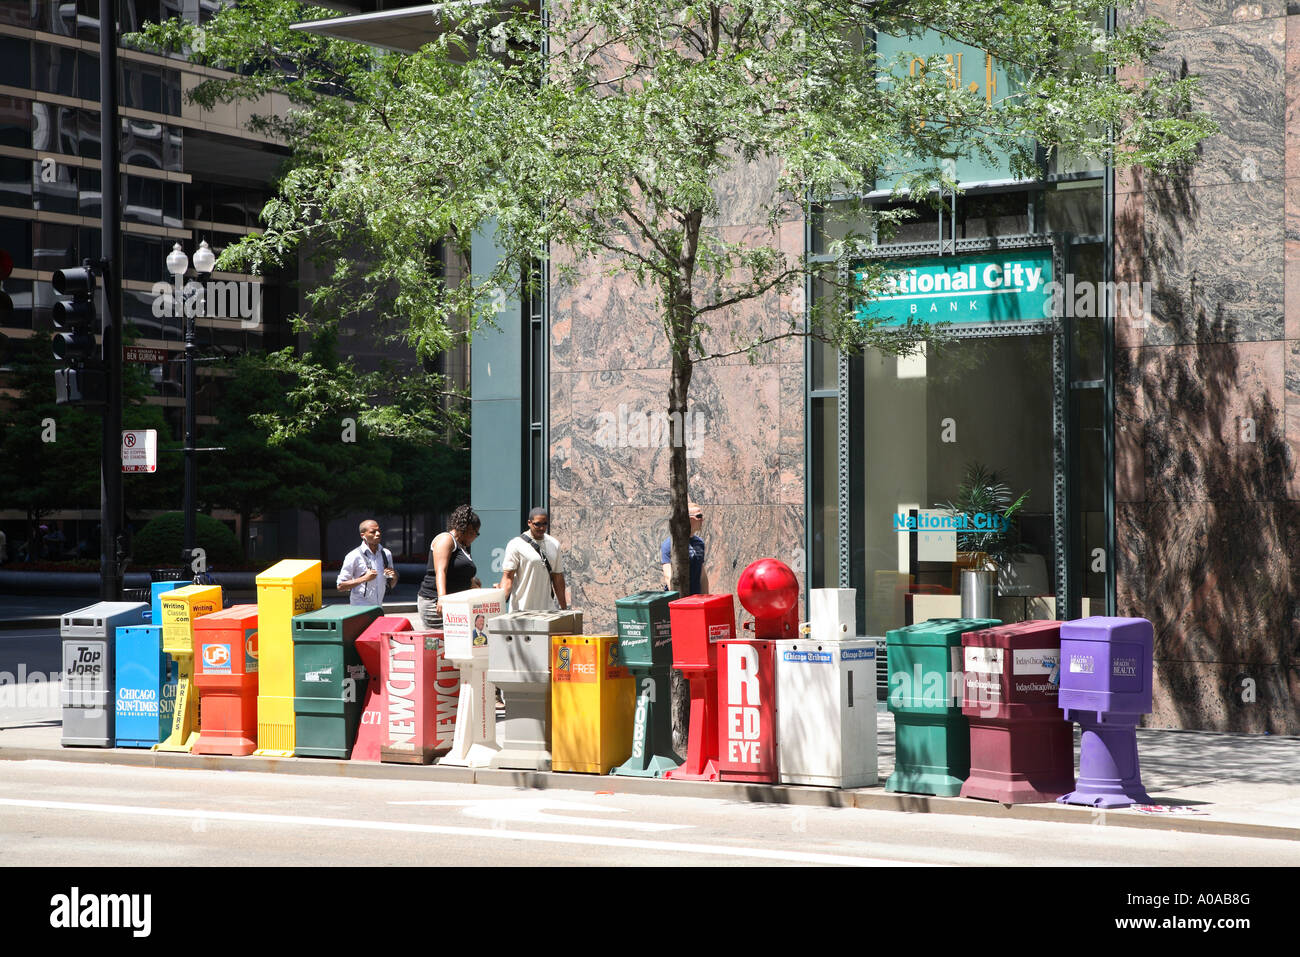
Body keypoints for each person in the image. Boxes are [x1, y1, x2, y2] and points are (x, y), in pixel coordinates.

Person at [417, 505, 481, 628]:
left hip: (454, 603)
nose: (475, 538)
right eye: (476, 533)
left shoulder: (462, 546)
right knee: (443, 644)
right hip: (435, 602)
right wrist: (442, 598)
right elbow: (441, 571)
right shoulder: (446, 539)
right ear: (469, 529)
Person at [500, 507, 567, 612]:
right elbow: (508, 577)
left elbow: (558, 578)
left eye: (544, 524)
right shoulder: (516, 544)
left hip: (548, 611)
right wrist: (499, 605)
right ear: (529, 523)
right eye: (537, 524)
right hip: (521, 611)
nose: (541, 528)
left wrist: (564, 609)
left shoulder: (554, 544)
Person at [336, 519, 397, 606]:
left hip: (379, 608)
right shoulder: (353, 556)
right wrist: (364, 578)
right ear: (363, 535)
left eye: (379, 531)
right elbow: (340, 586)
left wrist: (394, 577)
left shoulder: (386, 554)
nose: (378, 534)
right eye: (373, 532)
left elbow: (390, 585)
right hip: (359, 610)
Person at [661, 501, 709, 596]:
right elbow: (668, 576)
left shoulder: (699, 543)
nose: (702, 519)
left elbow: (702, 575)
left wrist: (706, 598)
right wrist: (680, 603)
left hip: (696, 599)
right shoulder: (670, 544)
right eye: (699, 516)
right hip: (679, 601)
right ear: (688, 519)